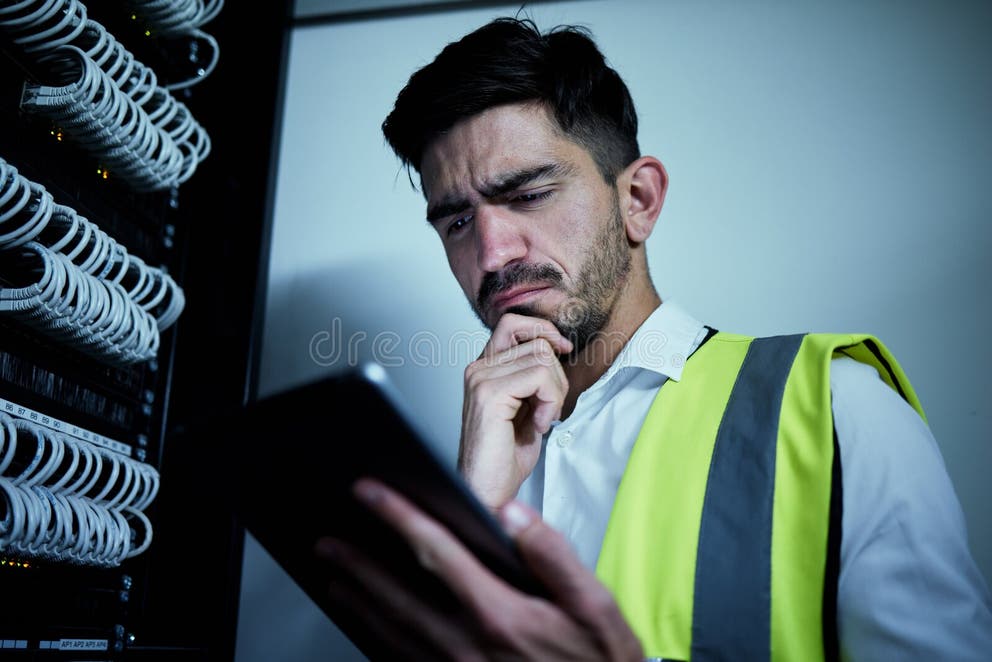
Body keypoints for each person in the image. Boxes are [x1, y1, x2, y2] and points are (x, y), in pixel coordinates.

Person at [313, 16, 992, 661]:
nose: (492, 254)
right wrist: (470, 514)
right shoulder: (475, 462)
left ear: (638, 200)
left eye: (527, 195)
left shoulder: (838, 407)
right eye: (456, 222)